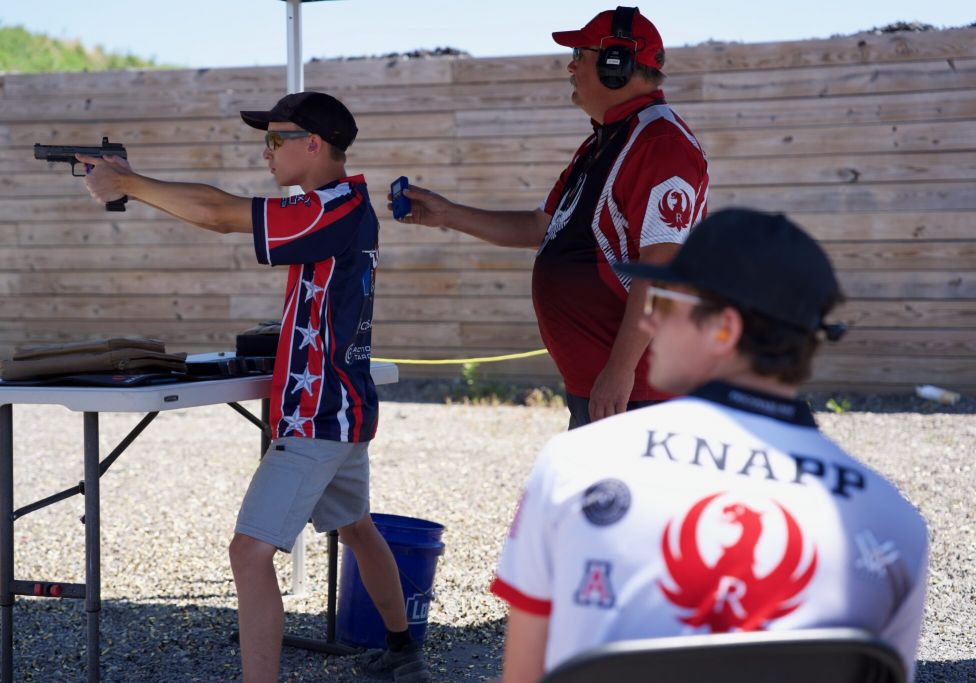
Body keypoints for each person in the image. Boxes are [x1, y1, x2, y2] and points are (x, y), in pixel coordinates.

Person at [489, 208, 929, 683]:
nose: (648, 321)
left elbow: (524, 675)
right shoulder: (896, 526)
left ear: (723, 330)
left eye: (663, 301)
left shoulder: (576, 466)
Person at [78, 92, 429, 683]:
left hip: (319, 413)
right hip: (339, 409)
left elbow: (220, 214)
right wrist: (130, 181)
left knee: (249, 552)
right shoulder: (341, 204)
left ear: (313, 144)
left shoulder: (333, 208)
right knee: (357, 527)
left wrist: (130, 185)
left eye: (275, 139)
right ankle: (401, 651)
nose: (265, 153)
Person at [393, 6, 708, 429]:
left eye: (582, 53)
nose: (571, 64)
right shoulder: (605, 140)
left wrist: (619, 371)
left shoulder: (660, 144)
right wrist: (447, 214)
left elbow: (664, 269)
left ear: (617, 64)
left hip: (643, 393)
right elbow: (541, 228)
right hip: (617, 388)